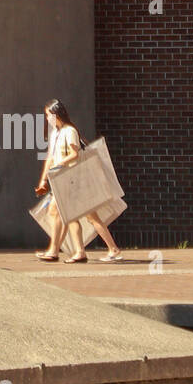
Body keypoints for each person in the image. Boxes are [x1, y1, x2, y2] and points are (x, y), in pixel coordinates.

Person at [34, 98, 123, 264]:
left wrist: (57, 166)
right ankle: (77, 251)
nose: (47, 119)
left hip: (74, 179)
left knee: (82, 216)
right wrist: (43, 180)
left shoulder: (69, 131)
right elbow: (50, 158)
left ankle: (107, 250)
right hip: (63, 179)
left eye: (48, 115)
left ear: (56, 113)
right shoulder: (55, 134)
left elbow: (74, 155)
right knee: (73, 216)